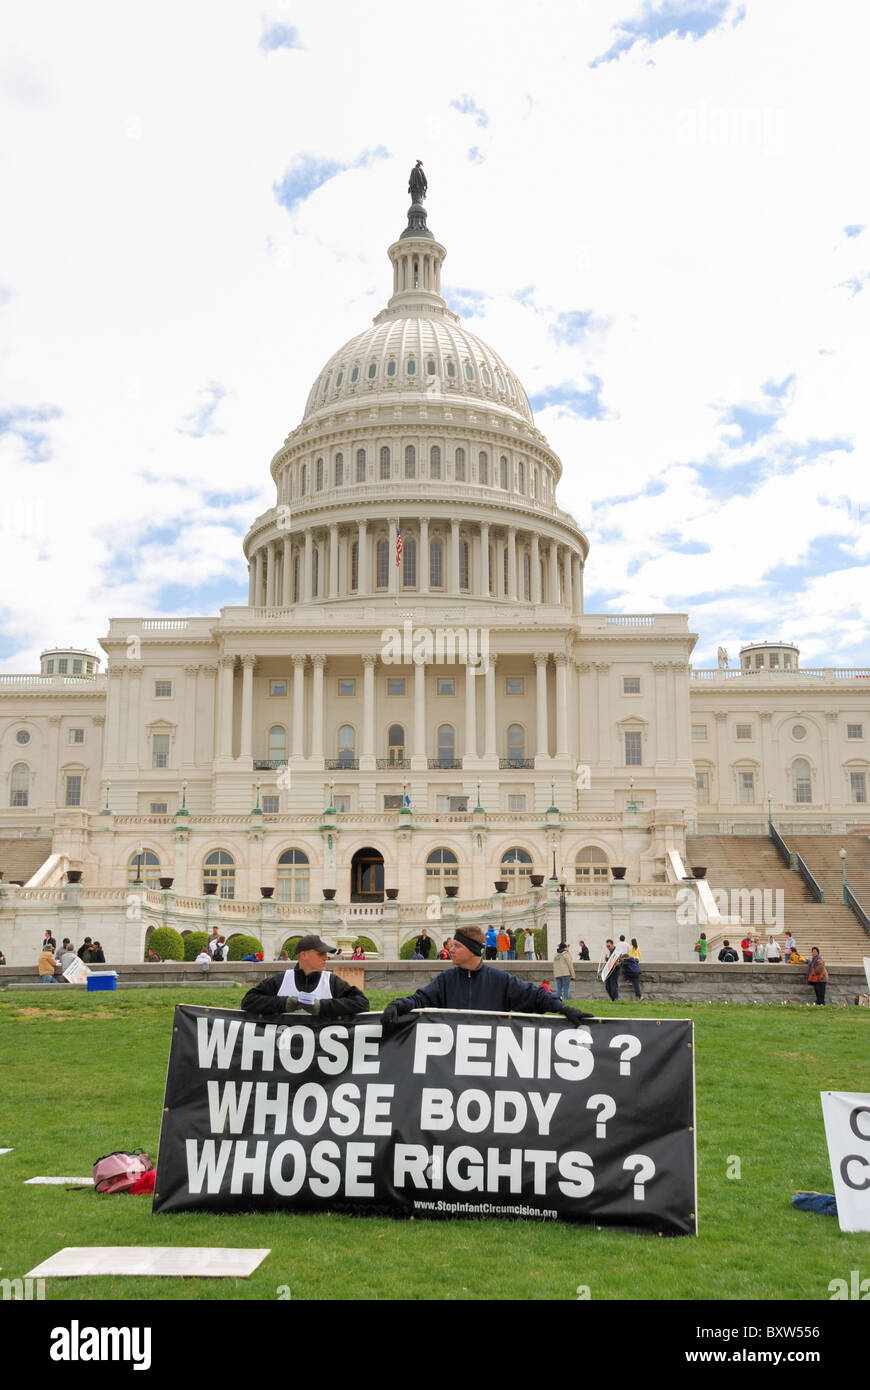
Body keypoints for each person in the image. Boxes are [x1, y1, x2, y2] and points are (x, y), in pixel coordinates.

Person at [381, 926, 594, 1026]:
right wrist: (398, 1005)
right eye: (451, 946)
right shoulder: (446, 980)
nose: (451, 950)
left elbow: (535, 996)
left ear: (473, 950)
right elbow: (420, 999)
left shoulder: (500, 980)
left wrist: (563, 1008)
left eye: (456, 946)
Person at [241, 934, 369, 1018]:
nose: (326, 958)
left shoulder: (331, 981)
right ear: (304, 956)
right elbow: (248, 1001)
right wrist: (283, 1003)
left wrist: (322, 1007)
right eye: (320, 954)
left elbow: (362, 1003)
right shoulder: (281, 979)